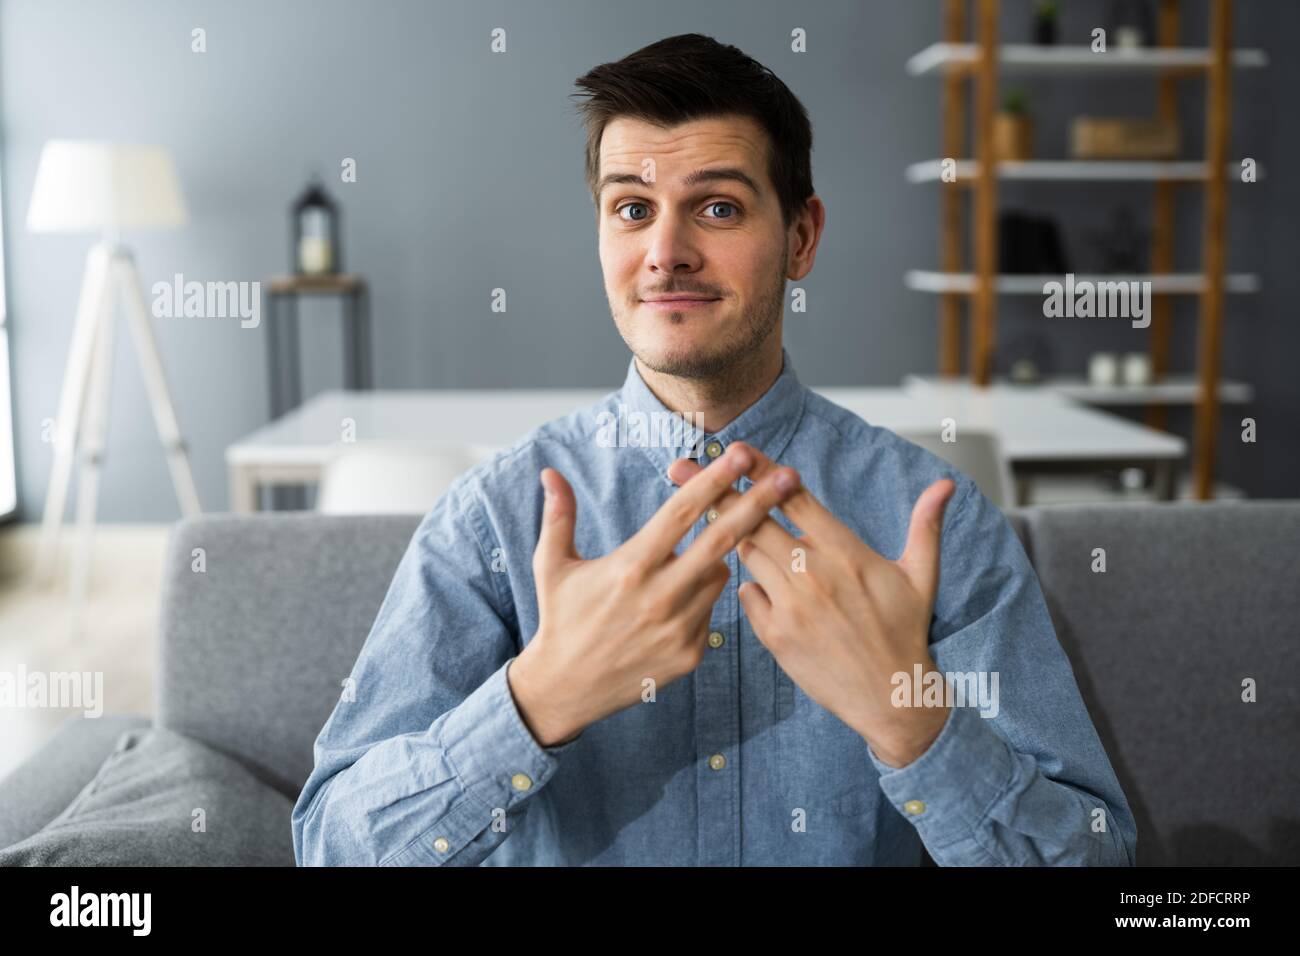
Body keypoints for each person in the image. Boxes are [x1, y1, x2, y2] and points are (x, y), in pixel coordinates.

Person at [292, 33, 1136, 866]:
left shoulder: (933, 519)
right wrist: (537, 699)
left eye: (719, 207)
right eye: (632, 209)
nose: (666, 253)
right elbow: (331, 847)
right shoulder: (492, 520)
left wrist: (908, 717)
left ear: (802, 239)